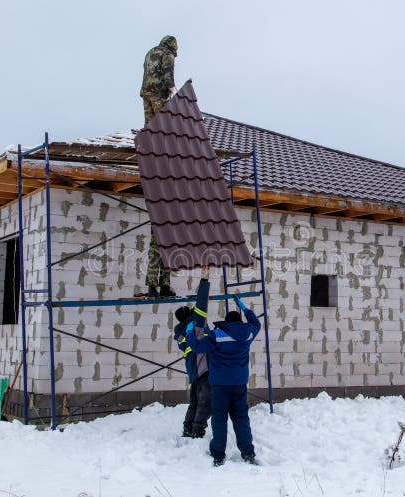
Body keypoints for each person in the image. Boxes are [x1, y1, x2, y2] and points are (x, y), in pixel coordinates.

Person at [186, 290, 261, 466]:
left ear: (226, 322)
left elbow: (197, 347)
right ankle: (248, 453)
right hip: (240, 384)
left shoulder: (217, 335)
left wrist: (190, 331)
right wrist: (244, 307)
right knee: (241, 417)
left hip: (219, 385)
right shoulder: (249, 334)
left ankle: (219, 455)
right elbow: (256, 322)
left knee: (219, 418)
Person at [139, 34, 178, 299]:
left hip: (144, 91)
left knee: (150, 122)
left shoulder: (149, 52)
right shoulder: (167, 55)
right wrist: (169, 88)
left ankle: (161, 287)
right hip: (161, 224)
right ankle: (157, 286)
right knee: (162, 118)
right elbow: (167, 73)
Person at [174, 305, 210, 438]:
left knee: (195, 401)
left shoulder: (180, 331)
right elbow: (200, 322)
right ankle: (198, 429)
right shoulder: (192, 326)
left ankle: (188, 427)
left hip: (193, 369)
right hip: (202, 367)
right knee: (205, 401)